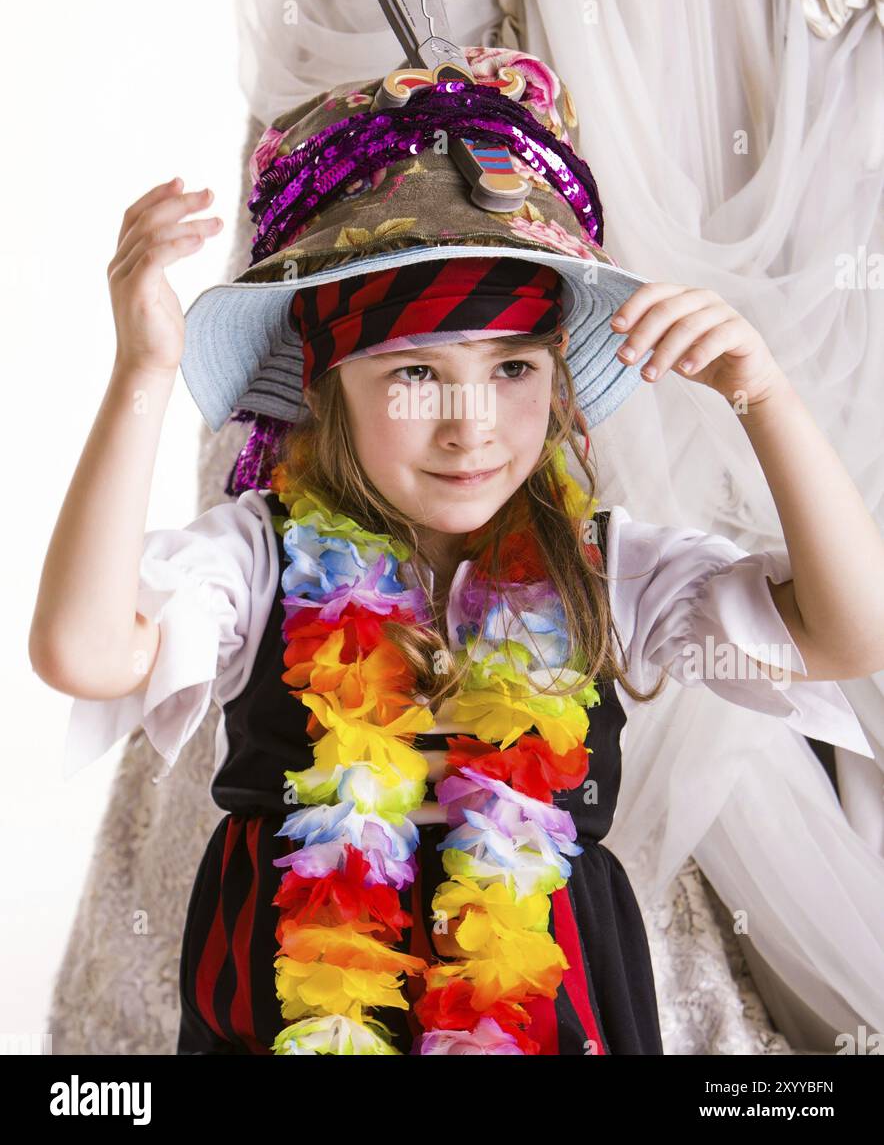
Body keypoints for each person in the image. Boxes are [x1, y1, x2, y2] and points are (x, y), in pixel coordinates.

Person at [31, 54, 880, 1055]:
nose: (469, 424)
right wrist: (141, 376)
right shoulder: (259, 560)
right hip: (291, 1008)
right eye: (414, 372)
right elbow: (83, 653)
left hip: (543, 1014)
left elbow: (844, 632)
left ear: (559, 380)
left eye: (511, 367)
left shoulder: (602, 570)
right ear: (323, 388)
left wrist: (760, 394)